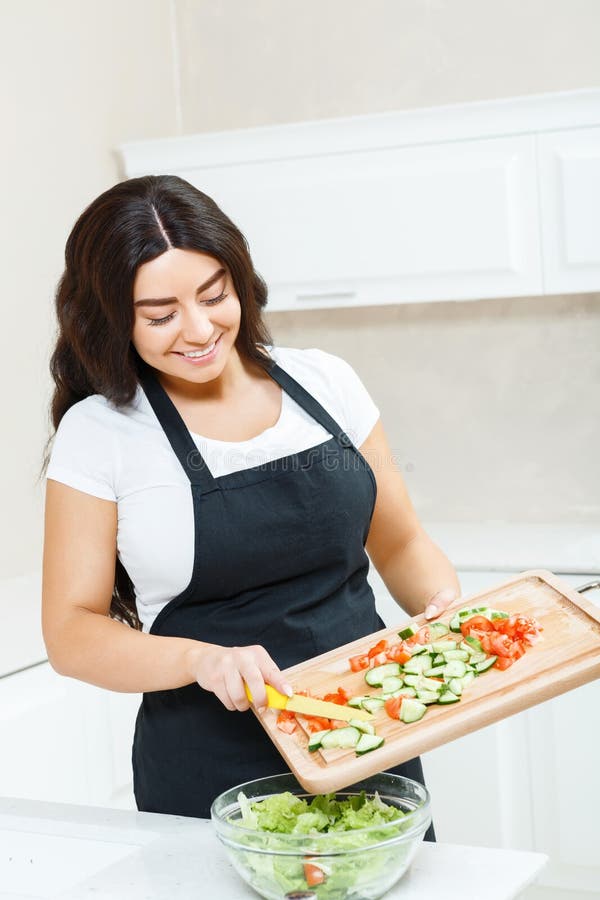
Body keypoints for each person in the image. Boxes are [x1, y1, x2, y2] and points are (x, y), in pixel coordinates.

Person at [41, 175, 460, 832]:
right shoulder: (102, 433)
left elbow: (401, 543)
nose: (201, 329)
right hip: (211, 770)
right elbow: (70, 631)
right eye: (160, 314)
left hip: (365, 735)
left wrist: (444, 613)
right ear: (112, 317)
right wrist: (200, 658)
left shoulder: (325, 382)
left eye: (215, 295)